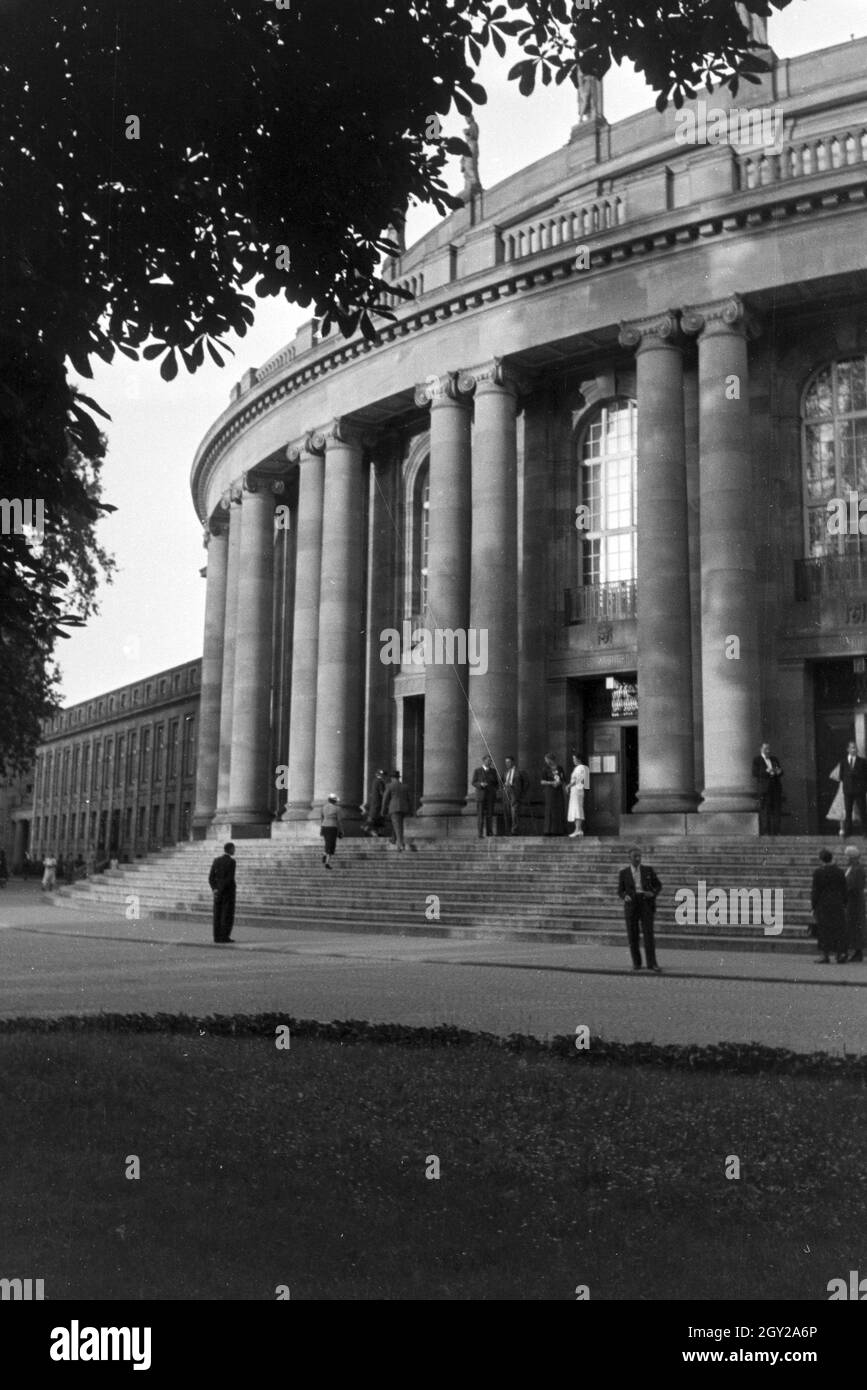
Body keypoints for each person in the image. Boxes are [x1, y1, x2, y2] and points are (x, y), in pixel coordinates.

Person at [617, 845, 663, 972]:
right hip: (632, 904)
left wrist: (652, 893)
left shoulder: (648, 870)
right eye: (635, 857)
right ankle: (636, 963)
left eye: (639, 856)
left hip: (645, 902)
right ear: (629, 858)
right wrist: (624, 896)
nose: (638, 859)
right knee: (633, 934)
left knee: (648, 934)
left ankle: (652, 963)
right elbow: (620, 891)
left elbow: (658, 885)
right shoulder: (624, 873)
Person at [810, 847, 848, 964]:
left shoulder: (818, 872)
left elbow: (816, 891)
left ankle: (825, 955)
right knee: (838, 929)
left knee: (824, 930)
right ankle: (839, 954)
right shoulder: (840, 872)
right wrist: (844, 903)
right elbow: (844, 889)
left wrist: (813, 905)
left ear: (821, 860)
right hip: (837, 903)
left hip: (823, 904)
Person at [752, 741, 783, 835]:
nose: (768, 751)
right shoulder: (757, 760)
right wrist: (767, 772)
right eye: (766, 749)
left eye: (769, 749)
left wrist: (778, 771)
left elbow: (781, 771)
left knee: (776, 810)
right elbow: (755, 773)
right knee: (765, 810)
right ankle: (766, 832)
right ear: (761, 749)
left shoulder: (774, 759)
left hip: (775, 788)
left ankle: (776, 831)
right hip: (765, 789)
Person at [208, 842, 236, 943]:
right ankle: (224, 936)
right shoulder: (232, 862)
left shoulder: (216, 860)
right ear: (230, 849)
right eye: (233, 849)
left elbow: (211, 877)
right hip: (228, 892)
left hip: (217, 892)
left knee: (217, 914)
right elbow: (229, 878)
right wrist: (222, 889)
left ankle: (217, 936)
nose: (234, 851)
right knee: (227, 914)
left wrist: (215, 889)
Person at [840, 741, 867, 839]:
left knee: (862, 811)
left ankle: (865, 832)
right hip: (848, 790)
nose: (854, 749)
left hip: (859, 790)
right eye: (852, 748)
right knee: (848, 811)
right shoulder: (843, 762)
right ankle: (848, 832)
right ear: (848, 749)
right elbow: (841, 776)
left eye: (855, 747)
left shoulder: (862, 762)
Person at [844, 844, 865, 963]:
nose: (846, 858)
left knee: (856, 926)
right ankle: (855, 951)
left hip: (855, 902)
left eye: (847, 856)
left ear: (852, 857)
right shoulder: (851, 868)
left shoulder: (857, 869)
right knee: (852, 926)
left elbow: (855, 885)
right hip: (851, 901)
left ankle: (858, 951)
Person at [383, 771, 413, 851]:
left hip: (394, 808)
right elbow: (409, 799)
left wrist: (383, 810)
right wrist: (410, 810)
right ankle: (394, 839)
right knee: (399, 825)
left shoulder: (389, 786)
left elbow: (385, 799)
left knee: (397, 826)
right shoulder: (405, 786)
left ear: (392, 778)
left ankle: (400, 844)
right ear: (398, 777)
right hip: (403, 808)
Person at [471, 754, 499, 838]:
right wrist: (480, 784)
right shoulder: (477, 770)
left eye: (491, 760)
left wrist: (494, 790)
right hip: (481, 796)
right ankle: (480, 833)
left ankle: (489, 832)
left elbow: (496, 783)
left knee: (490, 814)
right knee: (480, 815)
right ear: (484, 761)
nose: (490, 762)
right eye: (488, 760)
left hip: (490, 796)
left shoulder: (493, 771)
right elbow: (473, 782)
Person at [540, 753, 567, 836]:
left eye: (547, 759)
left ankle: (559, 830)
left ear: (550, 759)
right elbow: (542, 781)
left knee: (558, 809)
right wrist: (551, 782)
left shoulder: (560, 768)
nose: (546, 761)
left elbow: (563, 779)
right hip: (550, 792)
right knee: (550, 810)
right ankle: (548, 830)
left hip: (558, 791)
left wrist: (559, 783)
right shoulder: (545, 769)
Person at [502, 756, 528, 835]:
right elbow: (502, 782)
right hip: (506, 794)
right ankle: (507, 830)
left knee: (514, 812)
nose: (507, 764)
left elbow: (526, 783)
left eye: (509, 762)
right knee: (507, 812)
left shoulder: (519, 771)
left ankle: (514, 830)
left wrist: (522, 794)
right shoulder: (505, 773)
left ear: (513, 762)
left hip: (515, 794)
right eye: (506, 762)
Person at [567, 752, 590, 838]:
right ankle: (578, 829)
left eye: (574, 758)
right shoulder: (581, 768)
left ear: (578, 759)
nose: (573, 760)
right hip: (576, 790)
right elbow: (586, 783)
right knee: (576, 809)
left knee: (577, 809)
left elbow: (579, 780)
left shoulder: (581, 768)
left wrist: (569, 785)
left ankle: (578, 829)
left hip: (577, 790)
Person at [320, 793, 344, 870]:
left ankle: (324, 854)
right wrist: (341, 831)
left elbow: (322, 818)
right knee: (331, 845)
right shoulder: (337, 808)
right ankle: (327, 863)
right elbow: (339, 821)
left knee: (327, 842)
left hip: (324, 827)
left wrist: (322, 827)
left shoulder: (323, 807)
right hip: (332, 827)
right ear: (335, 801)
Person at [362, 769, 388, 838]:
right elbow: (382, 793)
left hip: (375, 803)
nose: (384, 776)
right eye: (383, 775)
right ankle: (367, 827)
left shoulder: (375, 781)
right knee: (374, 816)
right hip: (378, 803)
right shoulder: (379, 782)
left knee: (376, 817)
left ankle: (375, 831)